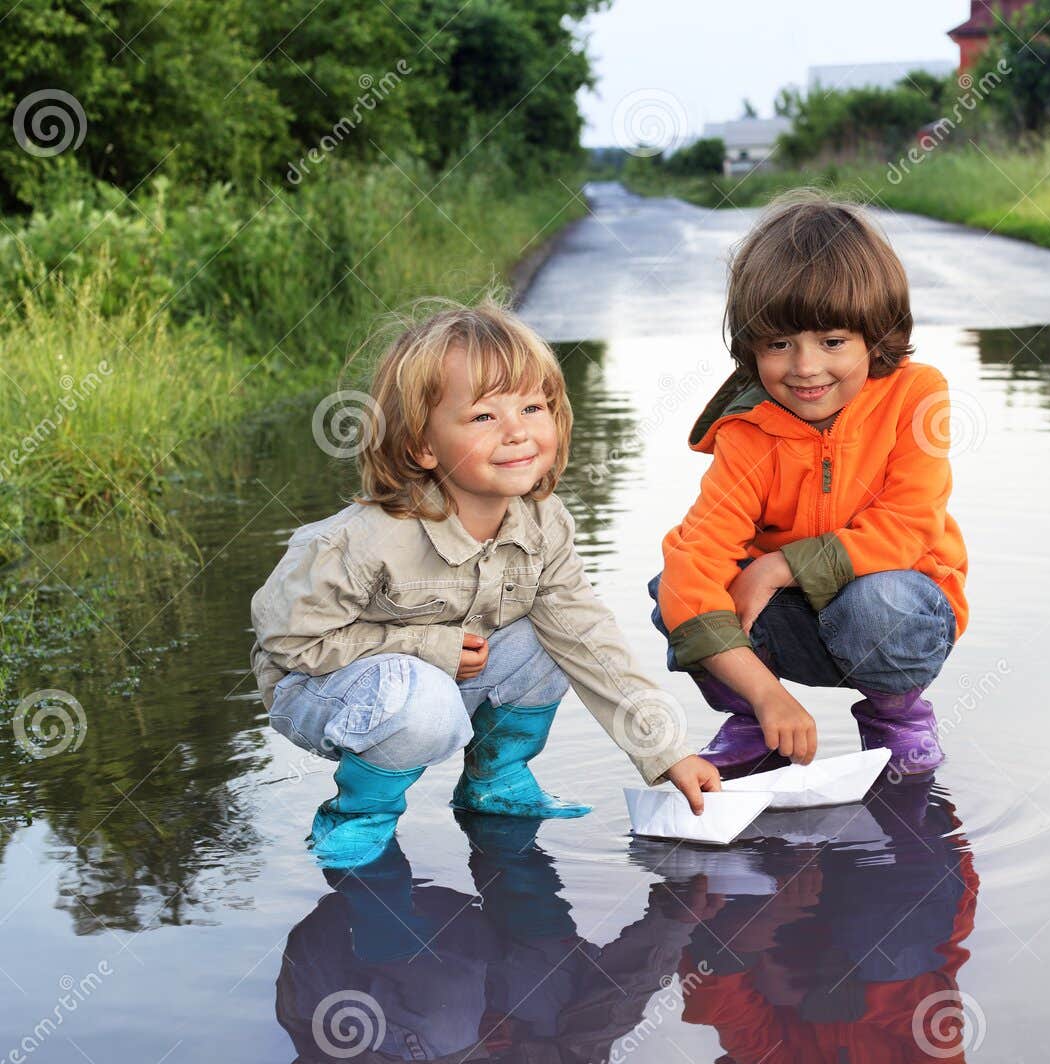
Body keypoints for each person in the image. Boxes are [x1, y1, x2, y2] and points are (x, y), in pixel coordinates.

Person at [250, 299, 720, 868]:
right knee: (421, 699)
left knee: (558, 636)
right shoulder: (360, 543)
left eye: (532, 406)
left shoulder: (544, 524)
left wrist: (665, 751)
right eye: (483, 417)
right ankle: (359, 812)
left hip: (435, 678)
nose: (517, 432)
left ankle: (495, 781)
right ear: (423, 444)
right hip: (318, 689)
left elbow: (589, 639)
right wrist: (427, 648)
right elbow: (289, 645)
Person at [649, 189, 969, 776]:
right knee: (674, 589)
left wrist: (777, 566)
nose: (804, 368)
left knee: (882, 601)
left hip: (892, 610)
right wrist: (767, 693)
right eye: (779, 344)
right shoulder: (747, 432)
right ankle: (756, 717)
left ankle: (896, 715)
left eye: (832, 341)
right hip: (790, 621)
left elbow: (907, 527)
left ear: (876, 336)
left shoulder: (917, 396)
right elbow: (695, 565)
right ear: (750, 349)